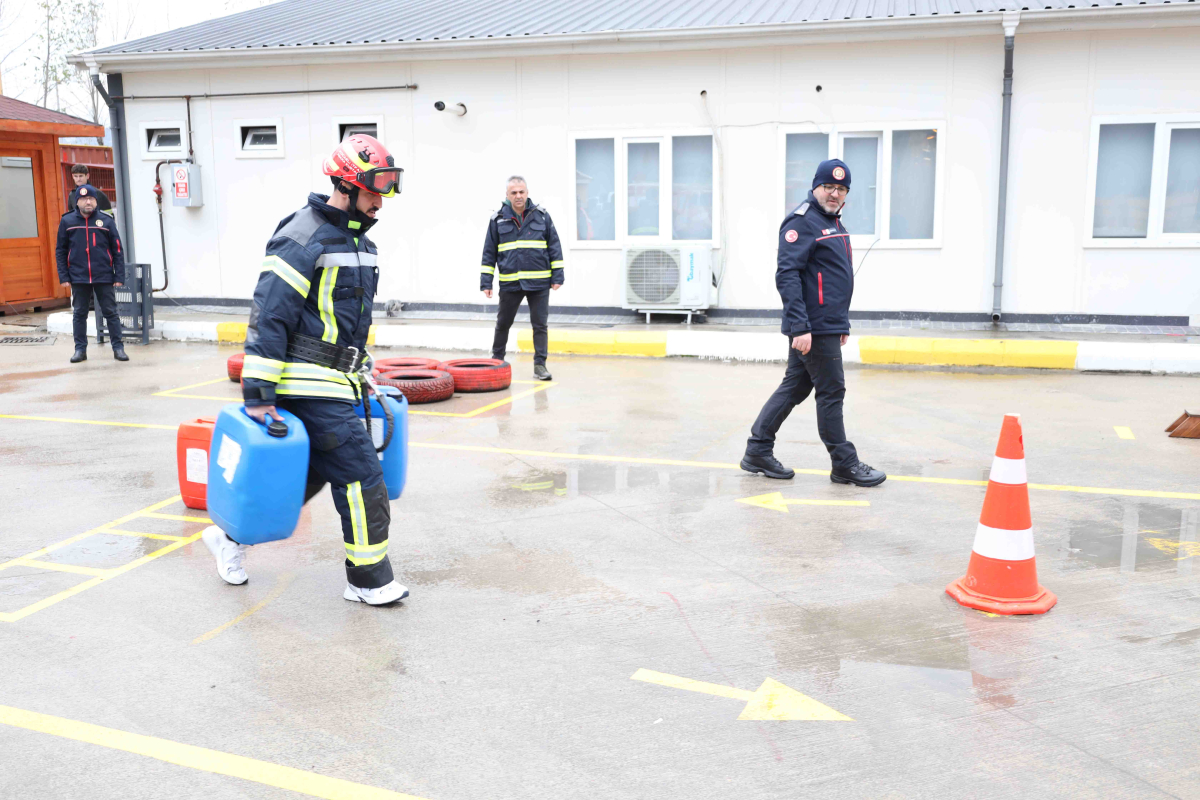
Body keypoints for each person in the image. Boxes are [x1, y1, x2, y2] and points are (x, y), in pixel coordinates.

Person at [200, 134, 408, 606]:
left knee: (307, 477)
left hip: (339, 382)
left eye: (386, 190)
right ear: (345, 184)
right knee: (362, 476)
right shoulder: (303, 233)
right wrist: (258, 393)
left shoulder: (361, 243)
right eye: (374, 190)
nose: (382, 201)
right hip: (305, 384)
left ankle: (228, 540)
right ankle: (368, 580)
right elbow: (271, 313)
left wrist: (363, 368)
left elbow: (343, 323)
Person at [741, 159, 886, 488]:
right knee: (832, 392)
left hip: (827, 324)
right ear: (816, 187)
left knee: (795, 387)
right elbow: (787, 275)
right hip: (813, 327)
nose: (834, 193)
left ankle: (758, 450)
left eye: (841, 189)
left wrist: (842, 323)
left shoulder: (833, 222)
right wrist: (800, 326)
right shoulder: (802, 223)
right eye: (829, 187)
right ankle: (844, 463)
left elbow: (835, 280)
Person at [480, 176, 563, 381]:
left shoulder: (542, 217)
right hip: (511, 283)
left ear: (527, 192)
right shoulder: (497, 219)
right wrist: (486, 281)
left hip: (539, 283)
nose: (518, 196)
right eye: (514, 193)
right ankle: (497, 361)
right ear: (507, 195)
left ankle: (540, 365)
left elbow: (554, 247)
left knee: (540, 325)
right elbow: (489, 253)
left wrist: (557, 276)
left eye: (521, 192)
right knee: (503, 323)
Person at [55, 184, 127, 363]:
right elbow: (60, 250)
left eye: (92, 199)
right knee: (79, 313)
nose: (88, 202)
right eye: (84, 199)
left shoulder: (107, 221)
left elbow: (117, 250)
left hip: (103, 275)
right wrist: (64, 276)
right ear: (77, 202)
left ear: (96, 201)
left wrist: (119, 276)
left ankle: (118, 348)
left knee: (111, 312)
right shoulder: (67, 221)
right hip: (78, 276)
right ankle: (80, 350)